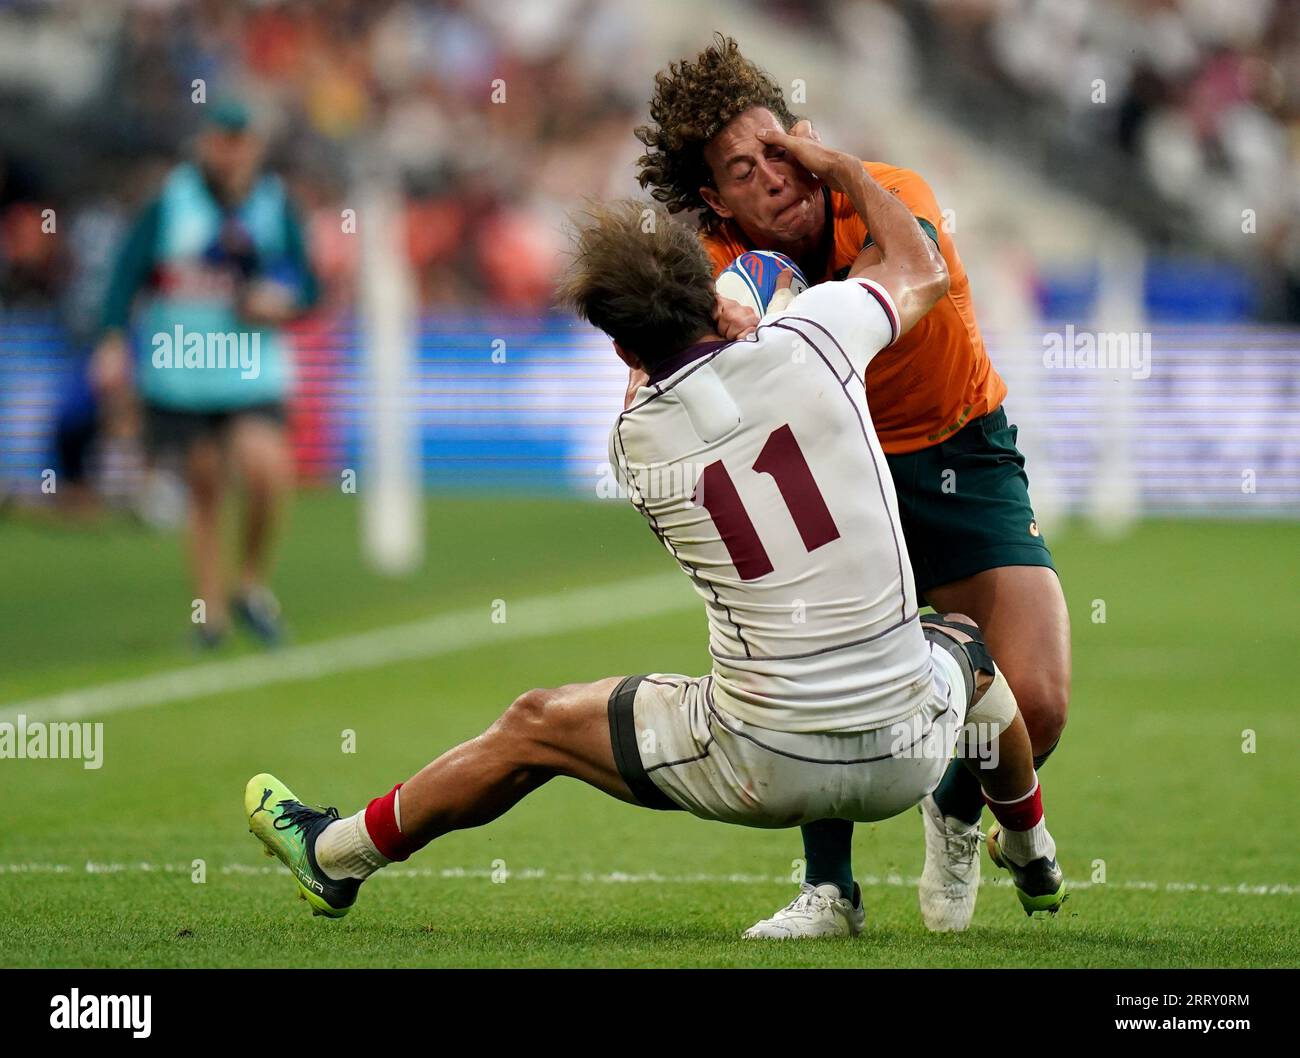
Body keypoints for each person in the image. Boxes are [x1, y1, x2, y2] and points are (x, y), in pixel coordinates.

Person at [243, 182, 1066, 931]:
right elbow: (916, 265)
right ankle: (1028, 854)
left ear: (619, 346)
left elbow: (680, 375)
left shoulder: (636, 445)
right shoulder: (820, 336)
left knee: (535, 725)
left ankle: (338, 854)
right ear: (708, 292)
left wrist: (728, 302)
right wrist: (828, 180)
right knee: (967, 645)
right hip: (907, 755)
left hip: (761, 767)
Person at [634, 35, 1071, 935]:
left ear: (808, 142)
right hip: (839, 468)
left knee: (1039, 707)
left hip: (964, 452)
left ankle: (954, 812)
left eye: (781, 151)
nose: (774, 178)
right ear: (715, 197)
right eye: (742, 169)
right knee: (820, 667)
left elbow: (924, 272)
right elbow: (664, 372)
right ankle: (829, 888)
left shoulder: (887, 193)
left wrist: (837, 164)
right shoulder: (715, 265)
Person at [90, 100, 319, 648]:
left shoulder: (273, 203)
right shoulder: (171, 199)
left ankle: (250, 584)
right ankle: (209, 615)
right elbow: (127, 273)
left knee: (265, 471)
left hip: (249, 369)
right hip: (182, 371)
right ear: (205, 143)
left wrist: (279, 304)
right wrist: (112, 339)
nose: (231, 152)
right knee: (205, 489)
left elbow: (307, 287)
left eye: (241, 141)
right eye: (222, 139)